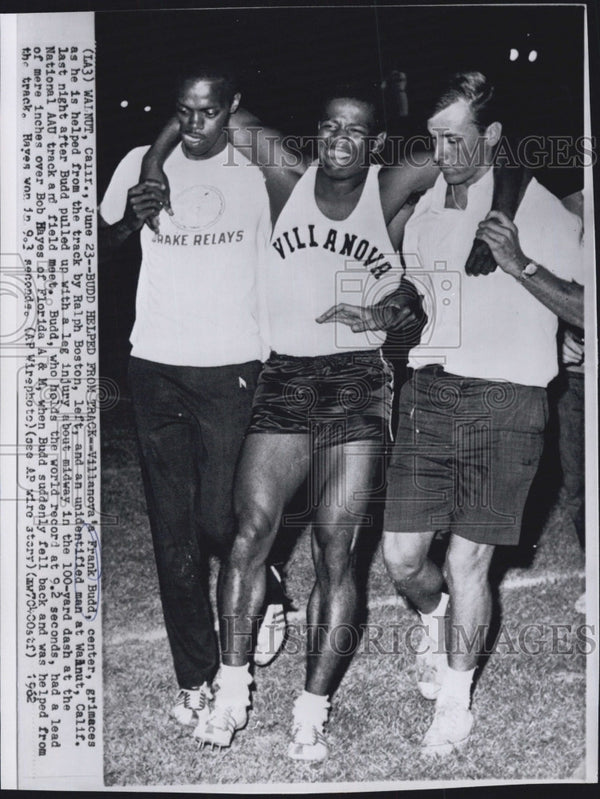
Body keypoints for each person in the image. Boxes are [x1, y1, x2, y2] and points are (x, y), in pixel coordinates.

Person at [143, 77, 525, 761]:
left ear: (374, 142)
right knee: (248, 532)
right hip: (286, 374)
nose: (338, 139)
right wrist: (150, 164)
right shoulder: (288, 177)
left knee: (333, 544)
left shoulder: (388, 187)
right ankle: (233, 690)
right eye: (328, 126)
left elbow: (492, 148)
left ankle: (311, 707)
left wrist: (504, 214)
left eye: (354, 130)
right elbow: (208, 108)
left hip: (357, 381)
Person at [380, 71, 583, 756]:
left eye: (455, 139)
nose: (442, 154)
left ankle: (456, 702)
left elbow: (586, 309)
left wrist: (520, 263)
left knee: (469, 560)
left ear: (491, 135)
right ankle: (435, 618)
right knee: (402, 557)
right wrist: (390, 306)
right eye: (434, 140)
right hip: (430, 394)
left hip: (508, 401)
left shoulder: (538, 207)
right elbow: (420, 286)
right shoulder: (430, 206)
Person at [98, 63, 288, 734]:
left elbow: (300, 175)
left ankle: (271, 591)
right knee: (173, 535)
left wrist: (204, 132)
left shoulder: (254, 170)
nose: (194, 124)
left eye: (209, 111)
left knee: (220, 517)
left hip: (233, 364)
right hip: (154, 364)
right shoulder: (136, 164)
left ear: (233, 107)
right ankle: (197, 677)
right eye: (183, 110)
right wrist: (129, 220)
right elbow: (102, 248)